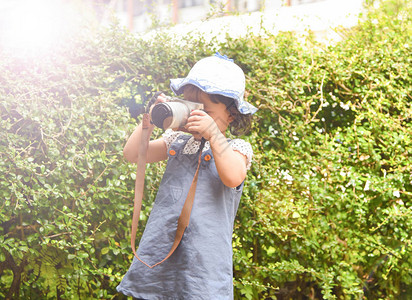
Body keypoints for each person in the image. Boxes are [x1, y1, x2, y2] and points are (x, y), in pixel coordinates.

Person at [117, 52, 258, 300]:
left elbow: (233, 177)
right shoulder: (178, 141)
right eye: (189, 107)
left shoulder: (235, 148)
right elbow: (132, 154)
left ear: (231, 115)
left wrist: (214, 135)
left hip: (203, 259)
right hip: (162, 248)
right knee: (155, 292)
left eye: (206, 112)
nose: (195, 116)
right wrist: (150, 118)